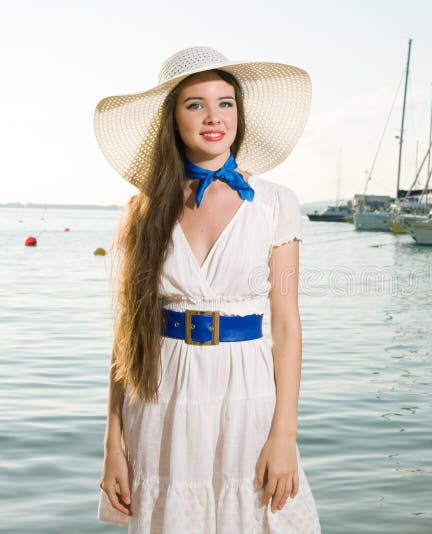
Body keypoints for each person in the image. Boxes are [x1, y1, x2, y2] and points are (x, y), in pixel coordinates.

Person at [95, 47, 320, 532]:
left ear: (241, 114)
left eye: (226, 102)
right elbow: (126, 334)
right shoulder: (143, 209)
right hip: (162, 393)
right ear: (172, 119)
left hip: (248, 391)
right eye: (194, 104)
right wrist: (113, 445)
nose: (213, 116)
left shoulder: (276, 204)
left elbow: (286, 323)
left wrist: (284, 433)